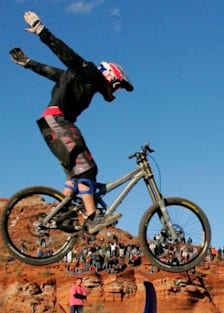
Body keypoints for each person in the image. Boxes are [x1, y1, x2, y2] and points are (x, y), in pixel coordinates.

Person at [9, 10, 134, 235]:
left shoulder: (79, 80)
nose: (116, 91)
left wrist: (28, 63)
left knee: (75, 175)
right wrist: (42, 32)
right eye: (117, 85)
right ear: (110, 76)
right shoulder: (91, 75)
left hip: (51, 125)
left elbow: (53, 73)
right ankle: (93, 217)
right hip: (57, 121)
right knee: (87, 166)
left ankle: (60, 213)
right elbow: (68, 56)